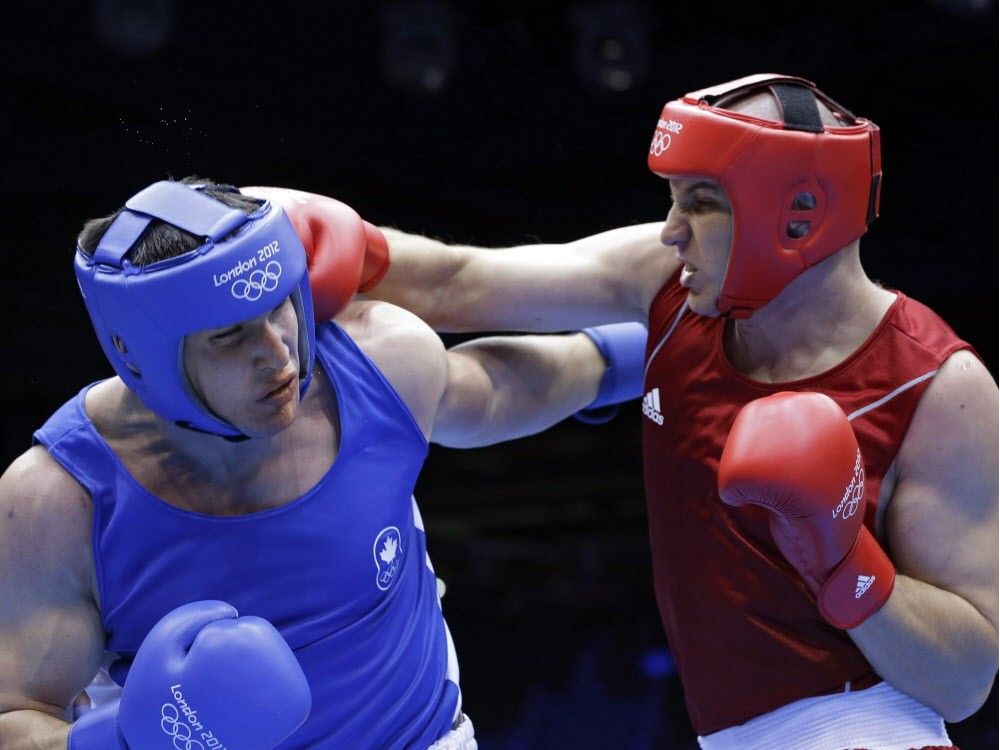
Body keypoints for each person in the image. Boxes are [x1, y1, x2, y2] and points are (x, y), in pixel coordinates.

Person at [364, 73, 999, 749]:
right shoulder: (672, 288)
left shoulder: (936, 387)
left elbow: (964, 683)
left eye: (700, 203)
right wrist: (291, 236)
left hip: (868, 727)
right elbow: (459, 280)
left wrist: (844, 562)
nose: (671, 233)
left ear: (798, 213)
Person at [0, 177, 647, 748]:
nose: (278, 353)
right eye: (230, 335)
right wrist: (118, 746)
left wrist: (665, 349)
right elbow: (16, 713)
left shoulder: (374, 366)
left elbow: (506, 389)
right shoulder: (59, 502)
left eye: (278, 305)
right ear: (137, 355)